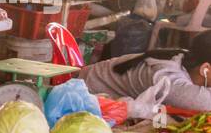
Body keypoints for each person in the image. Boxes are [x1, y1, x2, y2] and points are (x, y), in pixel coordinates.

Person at [80, 33, 211, 113]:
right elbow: (205, 104)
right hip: (79, 99)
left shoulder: (185, 61)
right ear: (205, 69)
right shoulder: (169, 79)